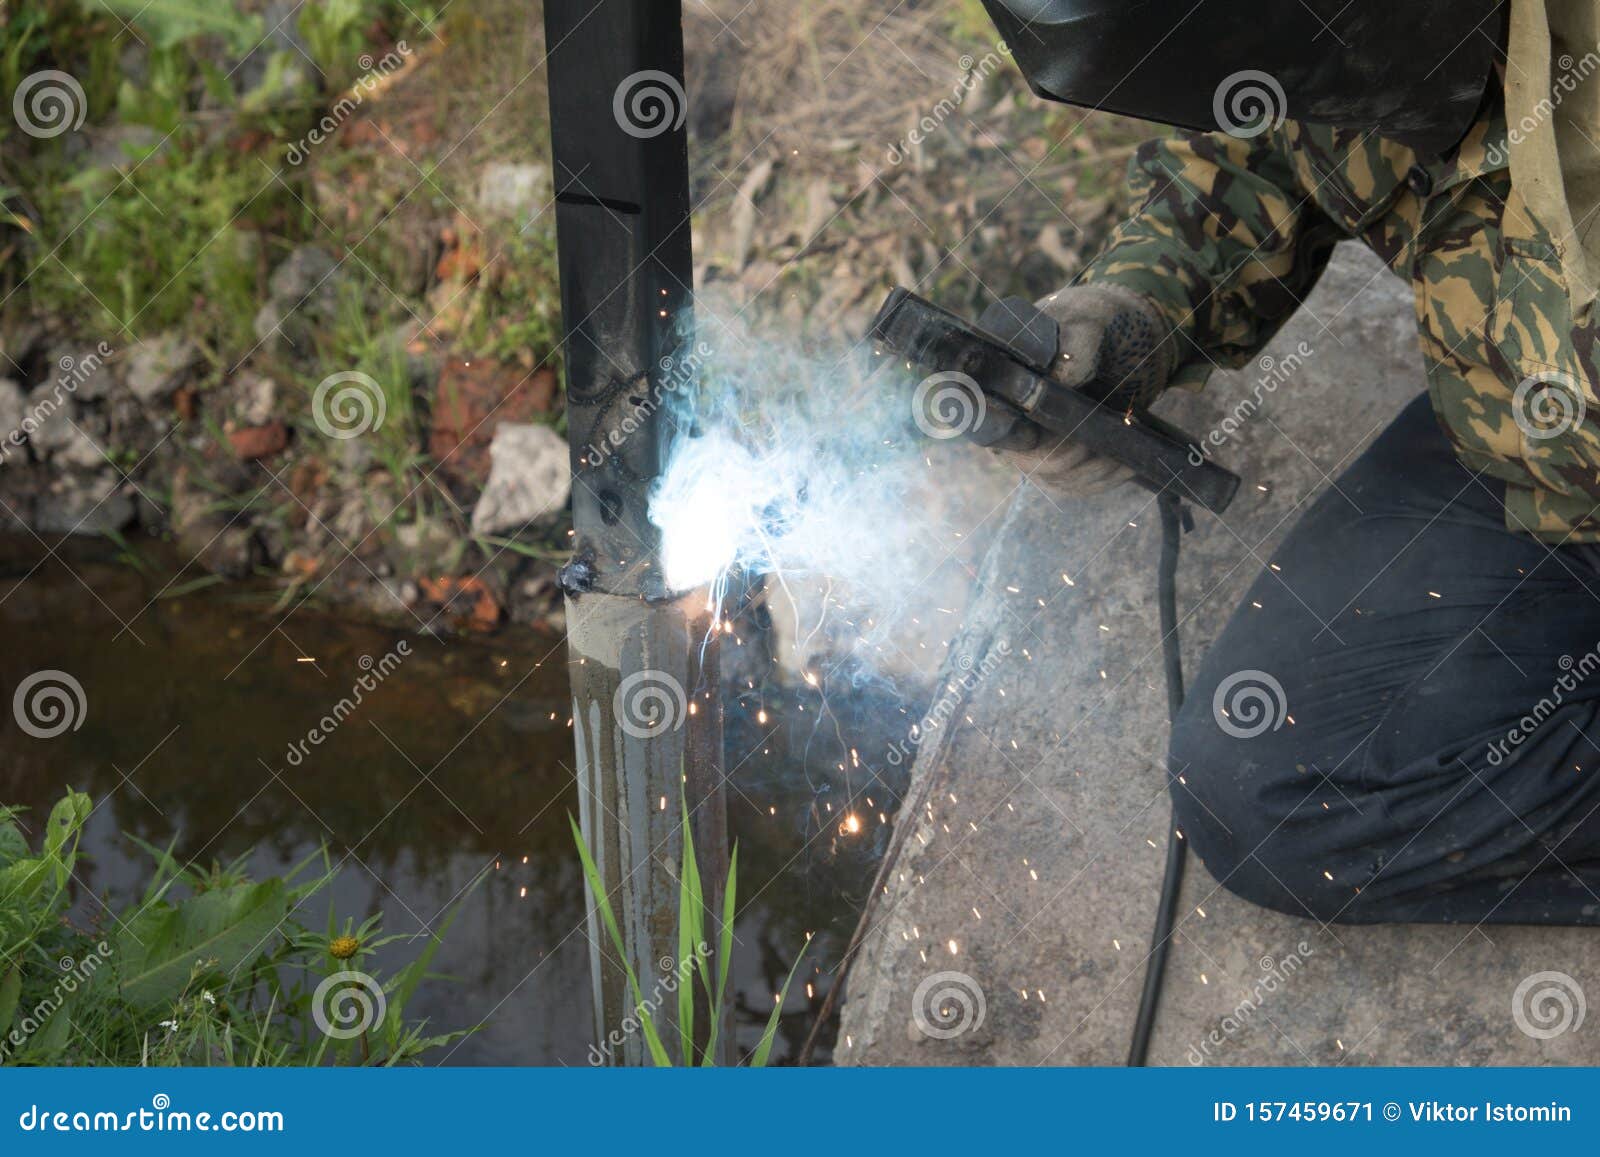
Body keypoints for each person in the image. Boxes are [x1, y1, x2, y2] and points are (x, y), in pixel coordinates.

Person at [979, 0, 1600, 923]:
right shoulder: (1344, 31)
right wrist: (1133, 319)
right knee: (1264, 792)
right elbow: (1269, 141)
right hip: (1529, 448)